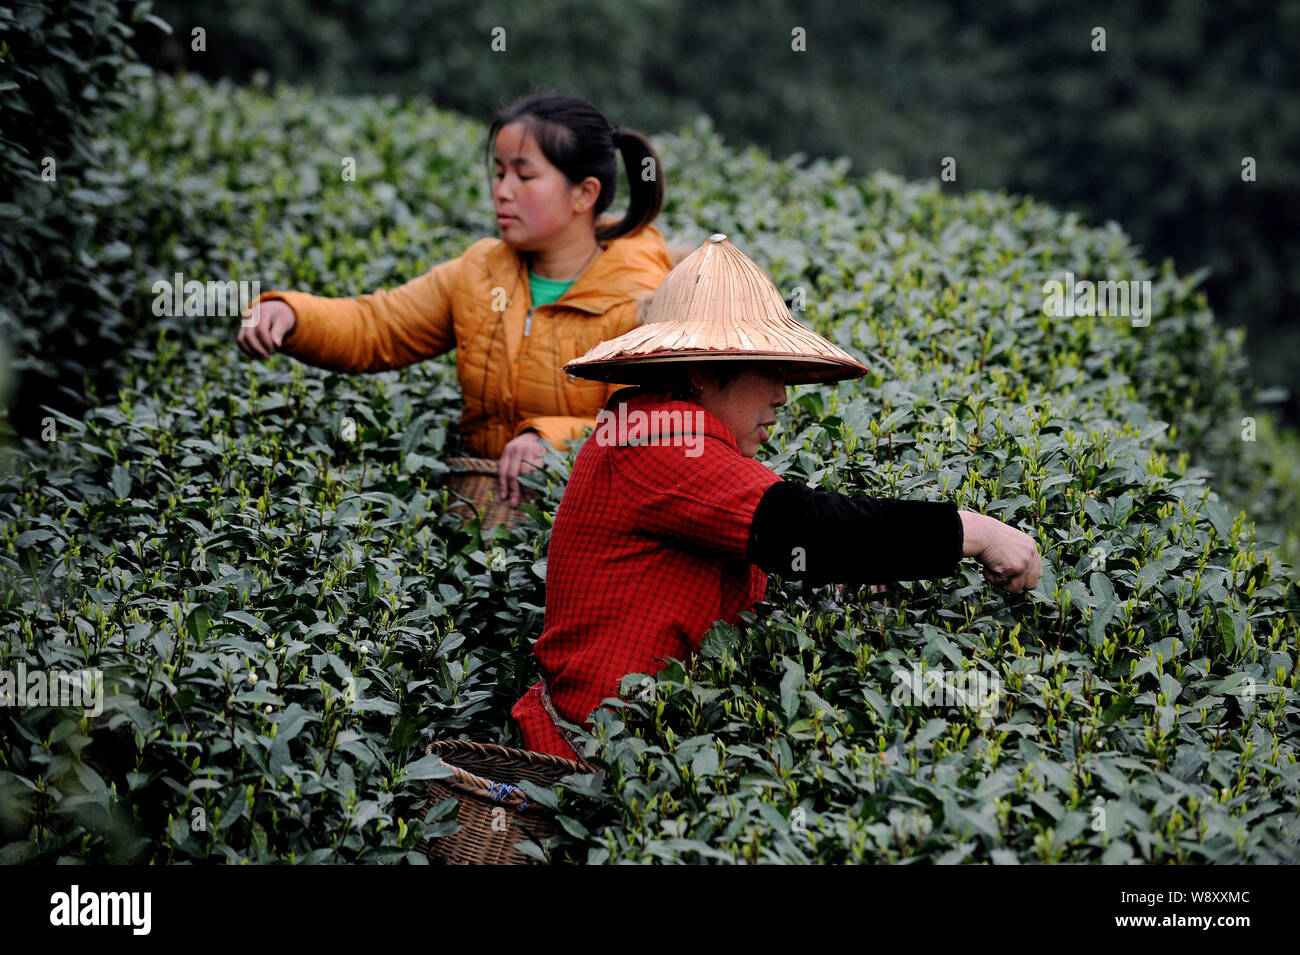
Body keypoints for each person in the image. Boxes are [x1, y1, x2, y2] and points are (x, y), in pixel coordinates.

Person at [510, 233, 1043, 759]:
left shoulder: (663, 431)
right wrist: (975, 531)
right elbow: (802, 527)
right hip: (596, 753)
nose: (783, 396)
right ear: (699, 371)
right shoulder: (656, 440)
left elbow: (785, 549)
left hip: (643, 740)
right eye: (771, 371)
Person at [236, 93, 678, 506]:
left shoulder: (645, 299)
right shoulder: (480, 273)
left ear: (584, 194)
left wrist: (553, 441)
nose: (503, 191)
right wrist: (290, 313)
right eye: (500, 172)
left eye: (524, 176)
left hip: (594, 514)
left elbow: (658, 424)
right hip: (481, 513)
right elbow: (377, 327)